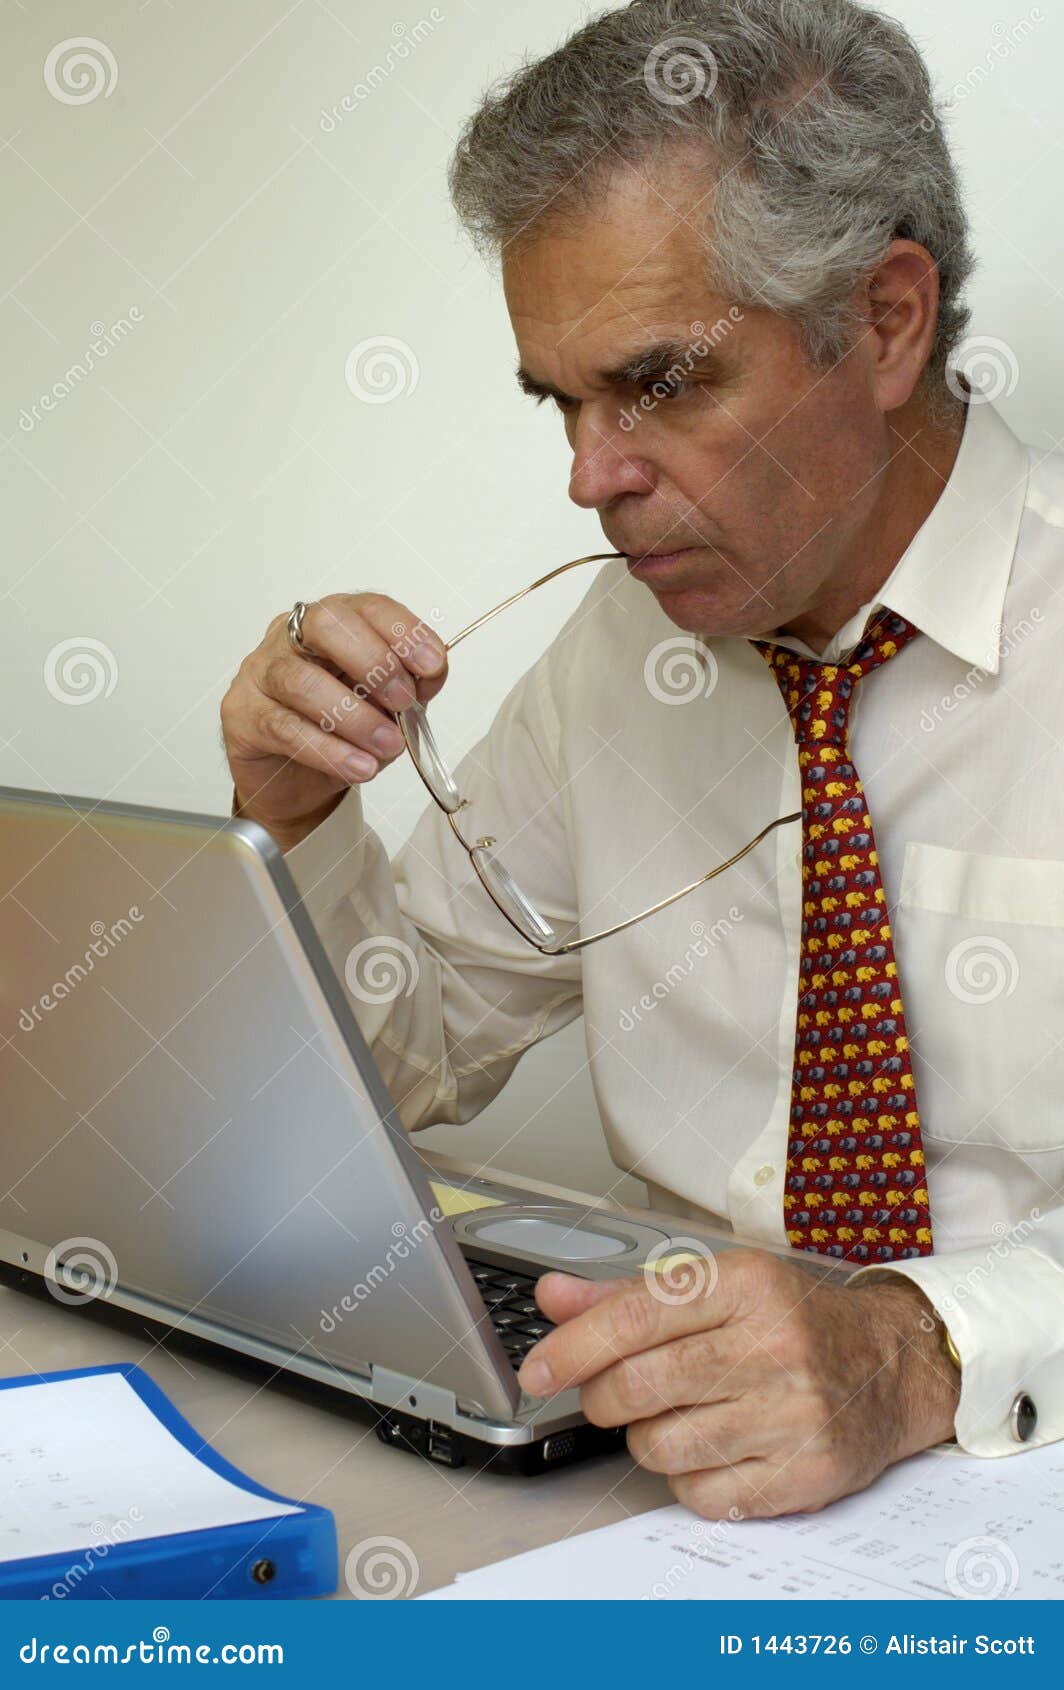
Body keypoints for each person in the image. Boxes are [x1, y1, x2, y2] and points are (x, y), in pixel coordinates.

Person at [220, 0, 1064, 1518]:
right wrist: (295, 817)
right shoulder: (624, 650)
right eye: (563, 399)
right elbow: (399, 1057)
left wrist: (923, 1344)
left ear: (885, 319)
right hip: (673, 1506)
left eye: (661, 384)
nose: (587, 477)